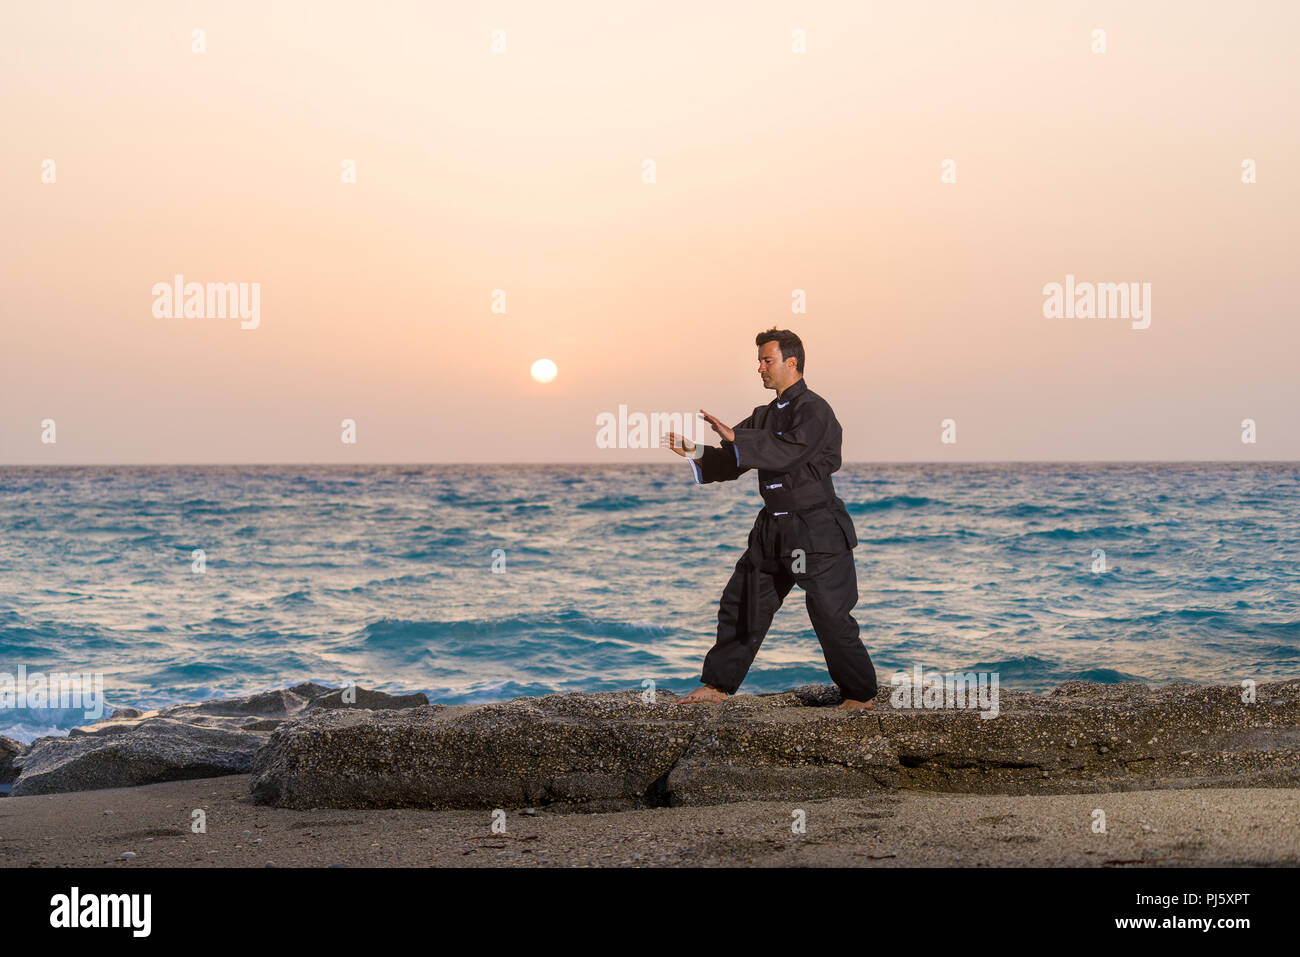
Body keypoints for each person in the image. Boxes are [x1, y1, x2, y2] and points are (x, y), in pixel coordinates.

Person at [661, 328, 878, 709]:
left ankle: (859, 696)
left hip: (816, 529)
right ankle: (717, 685)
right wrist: (694, 450)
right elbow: (735, 458)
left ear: (791, 362)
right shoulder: (763, 415)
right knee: (743, 604)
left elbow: (789, 451)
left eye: (767, 360)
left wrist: (738, 438)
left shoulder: (815, 409)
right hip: (772, 531)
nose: (759, 367)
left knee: (829, 614)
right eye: (759, 360)